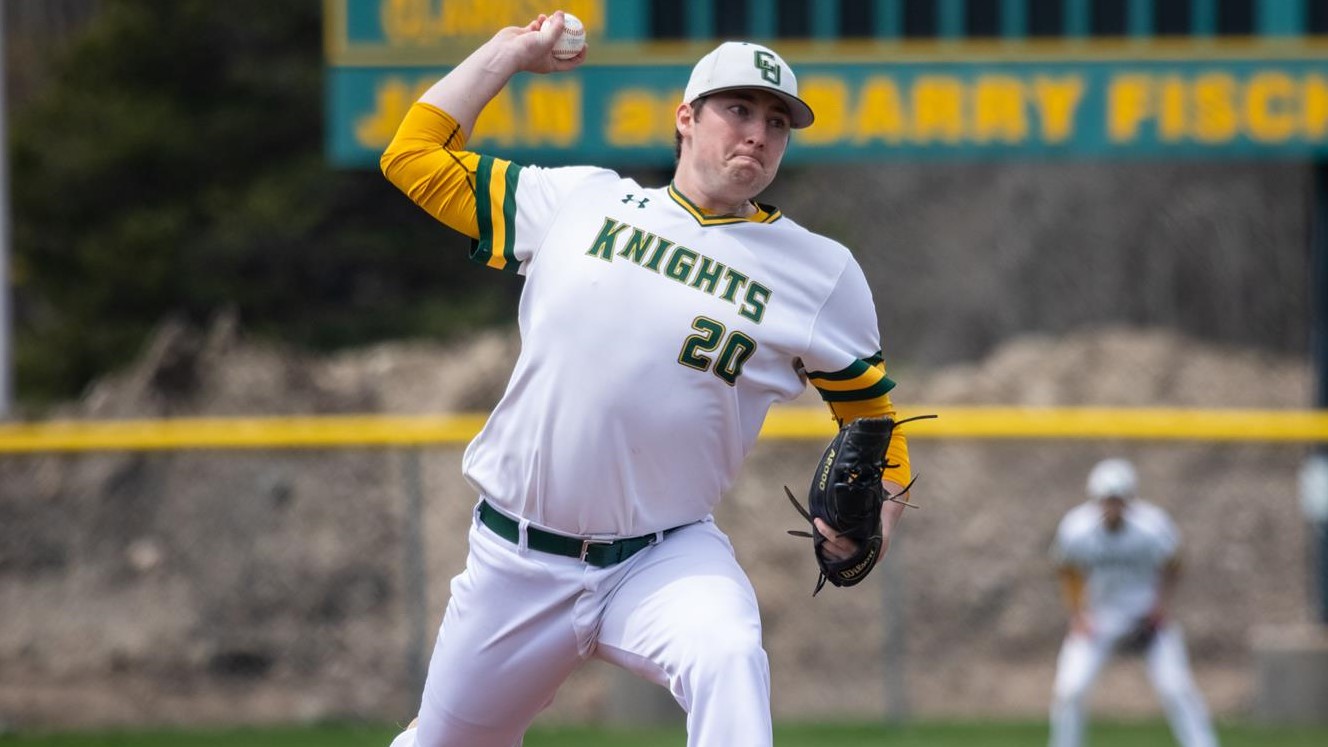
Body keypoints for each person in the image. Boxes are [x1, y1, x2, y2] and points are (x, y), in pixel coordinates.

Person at [378, 12, 917, 747]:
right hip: (516, 561)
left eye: (776, 122)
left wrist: (881, 513)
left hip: (663, 556)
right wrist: (508, 52)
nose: (758, 134)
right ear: (686, 119)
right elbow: (413, 155)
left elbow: (873, 418)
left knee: (728, 653)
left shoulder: (820, 273)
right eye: (738, 110)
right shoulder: (580, 202)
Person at [1048, 458, 1219, 747]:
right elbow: (1066, 568)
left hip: (1144, 617)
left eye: (1117, 500)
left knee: (1177, 688)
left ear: (1129, 499)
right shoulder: (1077, 528)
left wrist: (1160, 606)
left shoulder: (1151, 527)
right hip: (1099, 617)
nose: (1112, 507)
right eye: (1106, 500)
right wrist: (1077, 614)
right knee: (1070, 690)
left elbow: (1174, 564)